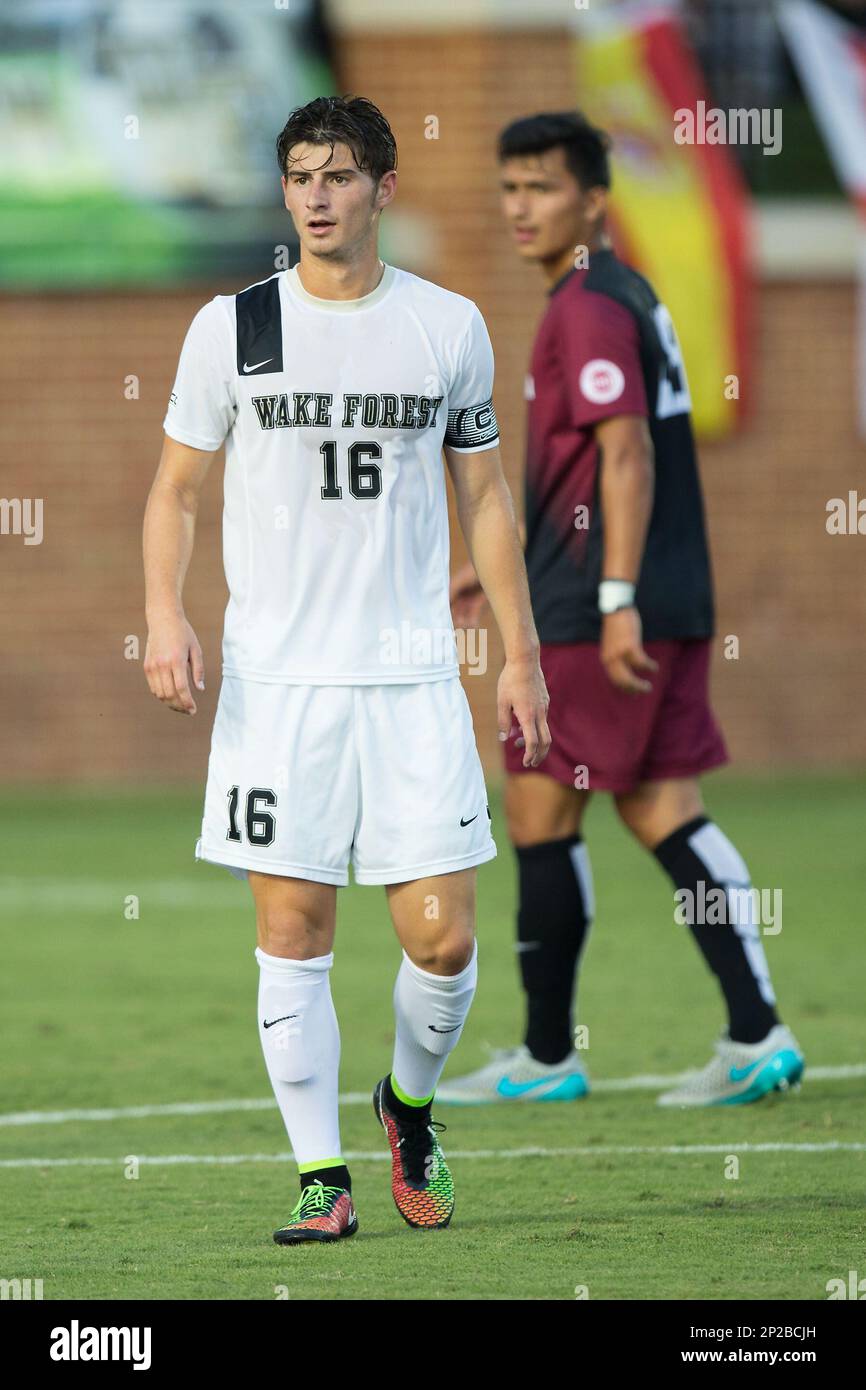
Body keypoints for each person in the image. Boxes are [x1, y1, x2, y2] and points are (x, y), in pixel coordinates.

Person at [143, 95, 550, 1242]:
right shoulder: (236, 327)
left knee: (444, 939)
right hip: (278, 688)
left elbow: (484, 496)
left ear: (382, 186)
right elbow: (174, 490)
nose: (316, 197)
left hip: (413, 680)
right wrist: (162, 614)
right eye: (299, 177)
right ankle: (321, 1177)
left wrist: (520, 657)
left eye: (336, 176)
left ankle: (405, 1105)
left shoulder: (444, 325)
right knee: (294, 932)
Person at [443, 111, 803, 1108]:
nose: (519, 207)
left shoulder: (589, 307)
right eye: (509, 187)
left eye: (541, 188)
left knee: (579, 805)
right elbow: (580, 469)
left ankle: (580, 1051)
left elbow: (624, 453)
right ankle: (725, 1032)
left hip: (602, 610)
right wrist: (511, 561)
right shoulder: (610, 295)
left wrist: (609, 601)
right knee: (621, 806)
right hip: (624, 594)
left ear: (592, 198)